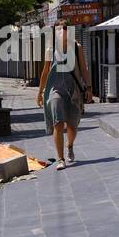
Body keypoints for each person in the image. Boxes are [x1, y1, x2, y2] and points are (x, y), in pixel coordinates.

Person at [37, 18, 92, 168]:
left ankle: (70, 145)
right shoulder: (50, 49)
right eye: (59, 29)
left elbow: (84, 69)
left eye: (65, 28)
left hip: (73, 90)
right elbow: (45, 71)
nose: (62, 31)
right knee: (58, 123)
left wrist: (88, 87)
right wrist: (40, 92)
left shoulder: (76, 47)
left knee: (72, 126)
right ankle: (60, 159)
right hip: (55, 90)